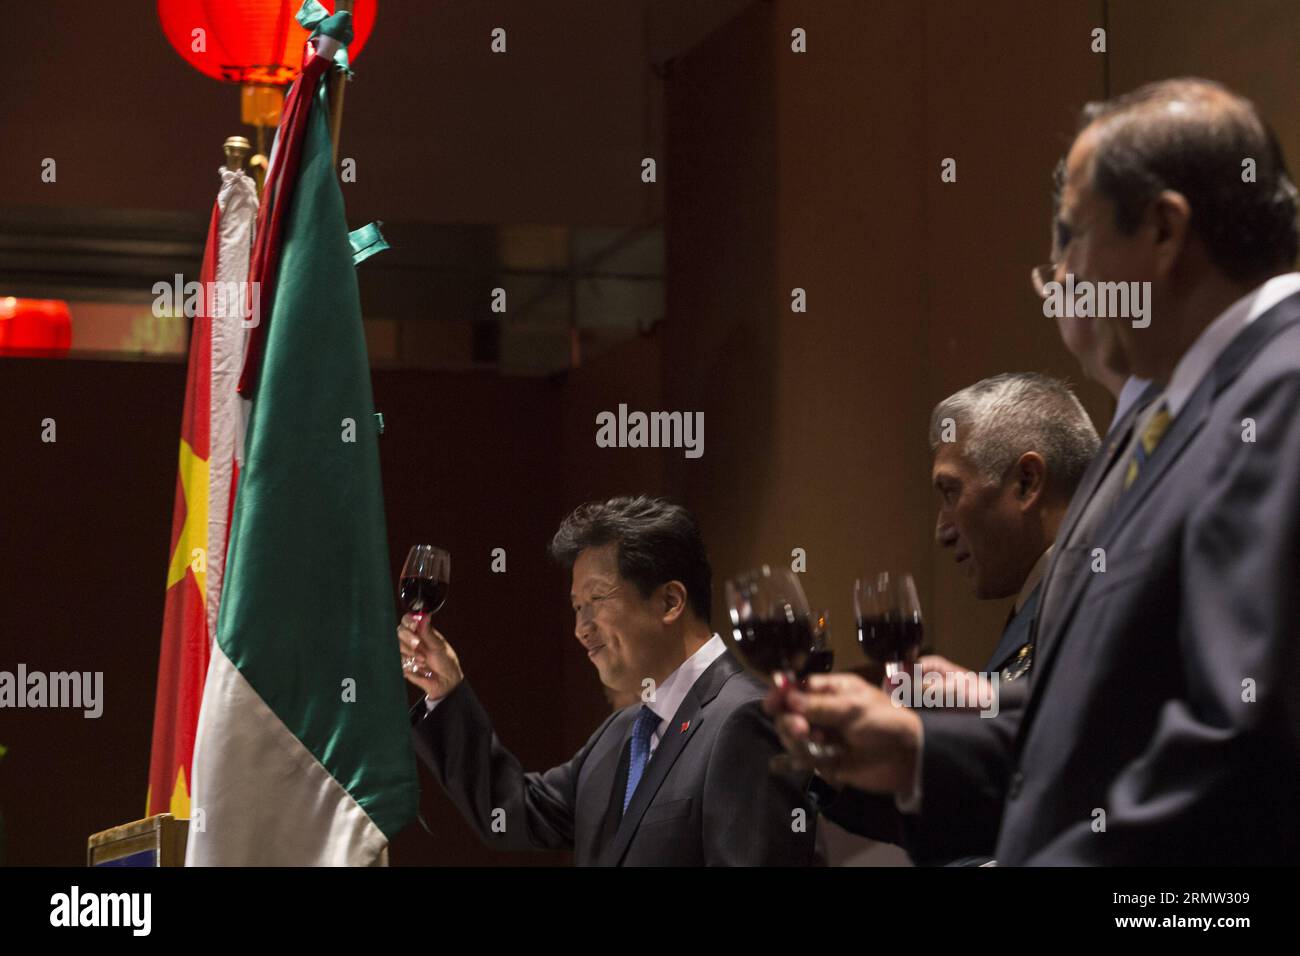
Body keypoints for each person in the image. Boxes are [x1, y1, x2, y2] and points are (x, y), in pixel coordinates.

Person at [770, 77, 1300, 864]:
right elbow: (1109, 729)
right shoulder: (1180, 415)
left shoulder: (1282, 390)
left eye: (1070, 237)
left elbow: (1241, 747)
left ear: (1163, 230)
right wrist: (918, 750)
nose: (1057, 274)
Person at [401, 495, 819, 865]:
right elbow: (513, 812)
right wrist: (448, 692)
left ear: (670, 601)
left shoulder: (746, 719)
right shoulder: (622, 731)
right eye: (577, 607)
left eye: (596, 600)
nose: (581, 629)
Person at [811, 374, 1099, 862]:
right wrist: (833, 764)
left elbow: (1077, 794)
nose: (942, 531)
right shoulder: (1040, 603)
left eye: (950, 492)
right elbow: (977, 807)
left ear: (1027, 482)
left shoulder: (1096, 598)